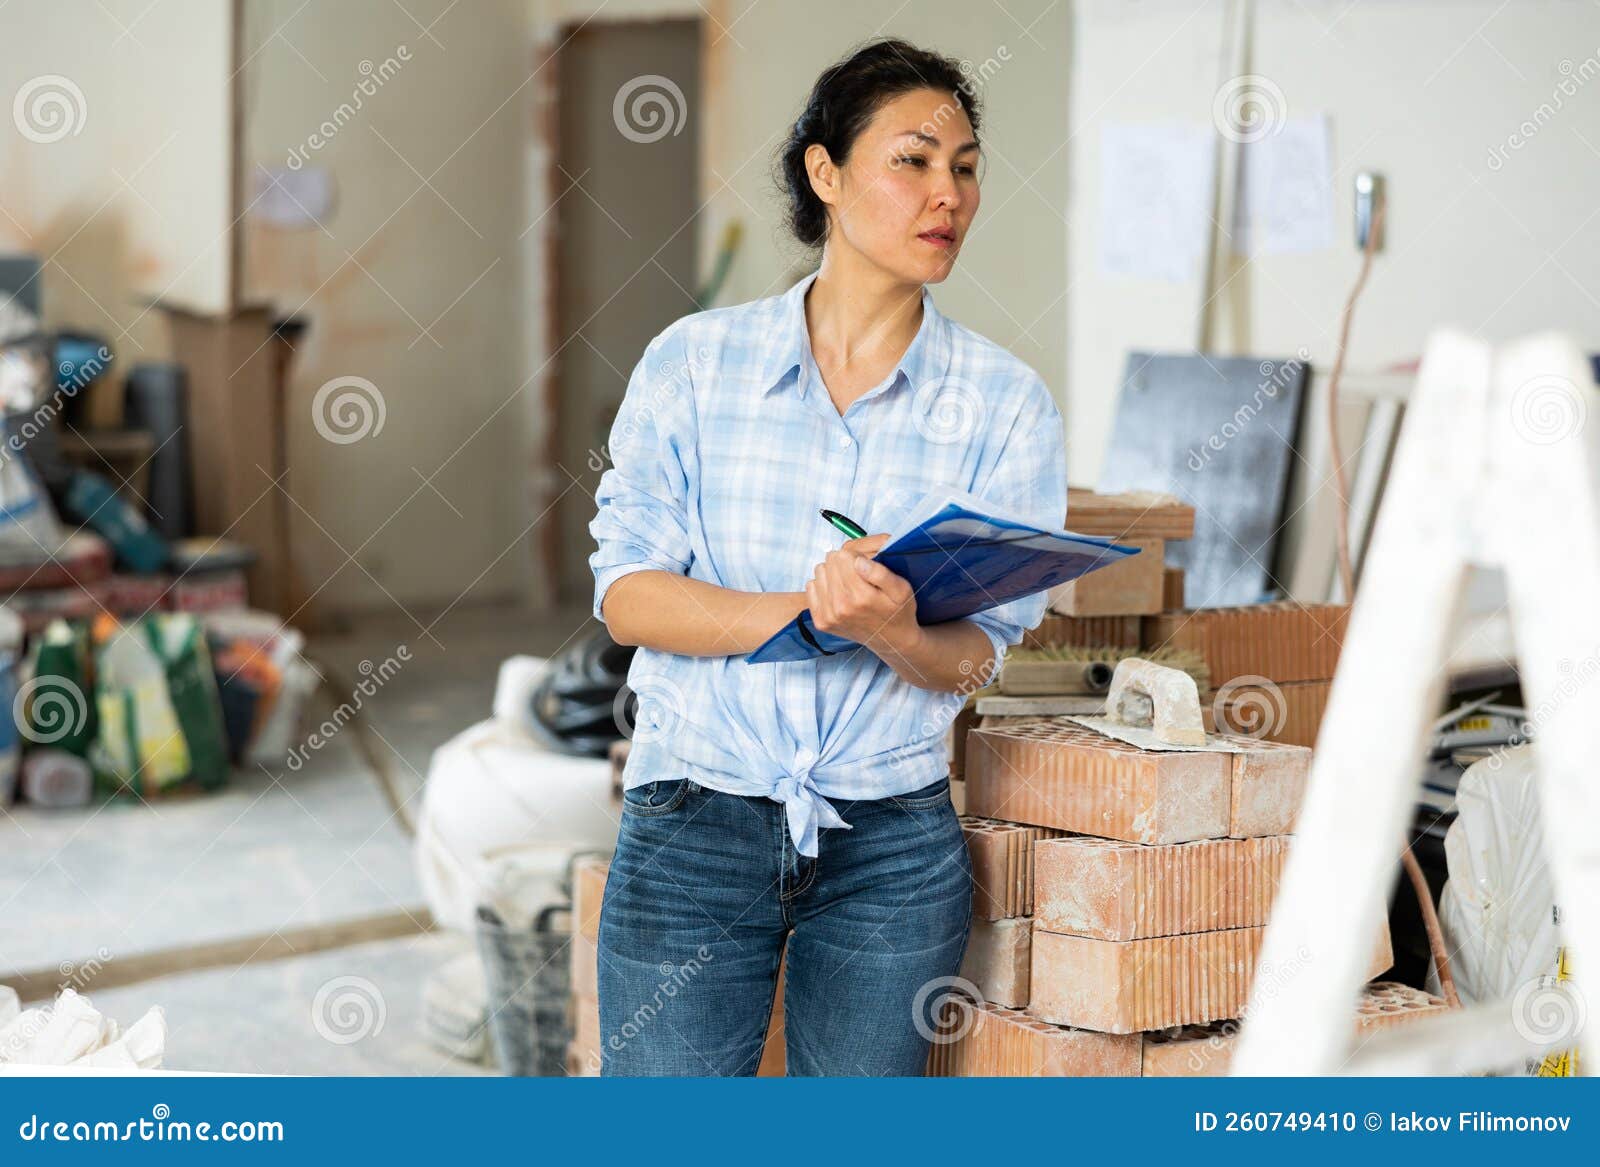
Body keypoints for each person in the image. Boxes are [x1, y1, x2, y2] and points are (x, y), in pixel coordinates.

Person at [587, 37, 1068, 1076]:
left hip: (891, 844)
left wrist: (897, 631)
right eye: (914, 159)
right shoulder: (694, 365)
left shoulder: (1004, 405)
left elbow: (981, 660)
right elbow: (627, 597)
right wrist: (812, 611)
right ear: (825, 174)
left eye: (967, 166)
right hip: (693, 825)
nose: (949, 193)